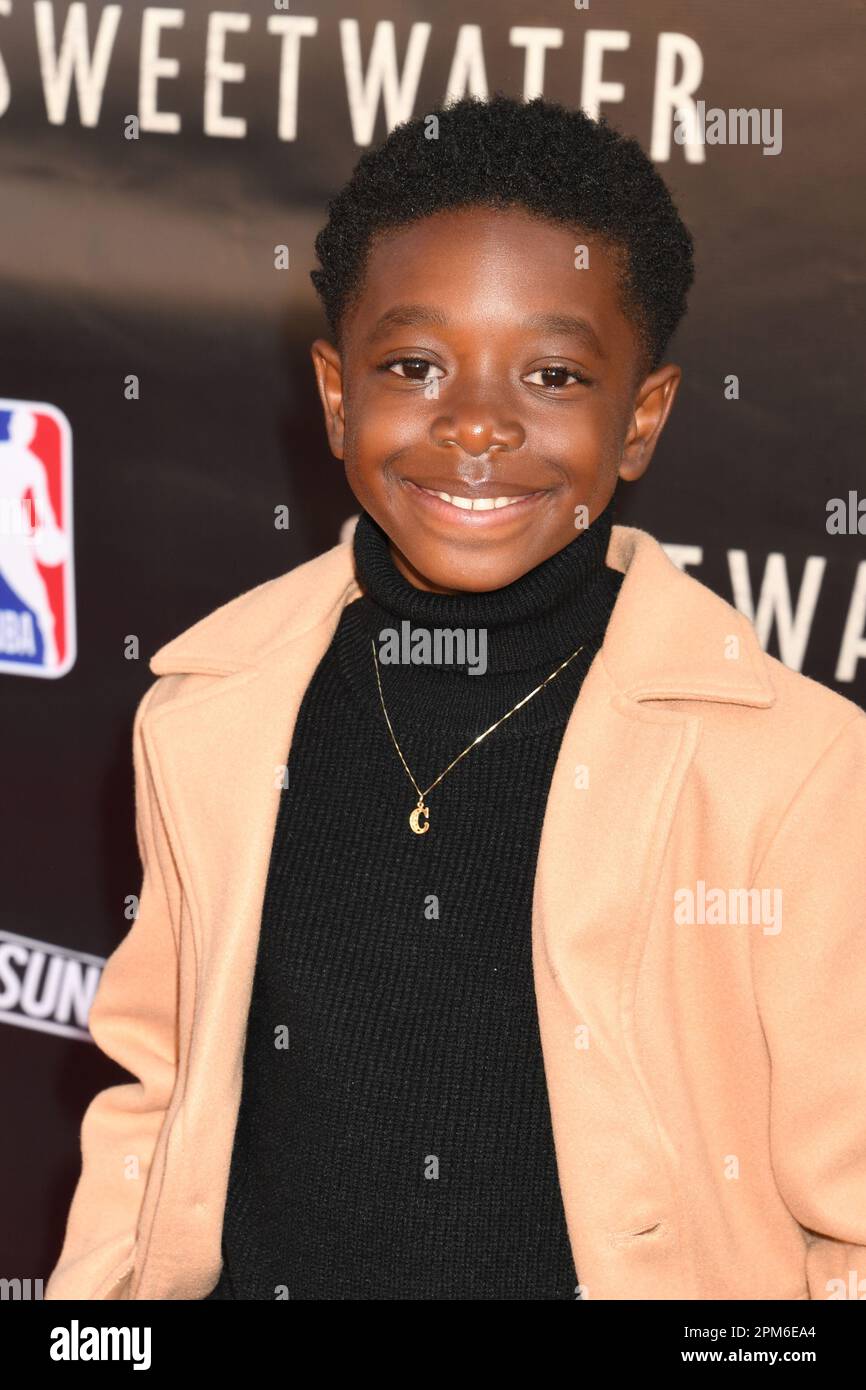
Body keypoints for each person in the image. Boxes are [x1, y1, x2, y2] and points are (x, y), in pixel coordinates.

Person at [46, 94, 866, 1302]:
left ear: (639, 419)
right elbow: (155, 1092)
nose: (476, 425)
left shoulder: (789, 768)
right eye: (413, 365)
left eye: (551, 373)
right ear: (334, 395)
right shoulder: (210, 708)